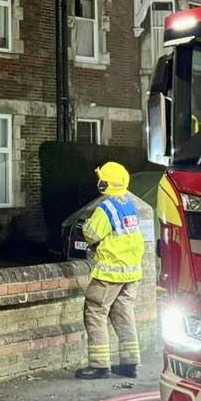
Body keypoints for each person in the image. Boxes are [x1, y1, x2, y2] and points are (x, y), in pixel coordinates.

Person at [75, 161, 145, 380]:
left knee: (95, 312)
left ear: (106, 184)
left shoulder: (107, 208)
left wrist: (83, 227)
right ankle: (130, 363)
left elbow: (91, 234)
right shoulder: (129, 205)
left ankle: (99, 365)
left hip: (110, 273)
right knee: (124, 314)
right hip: (131, 273)